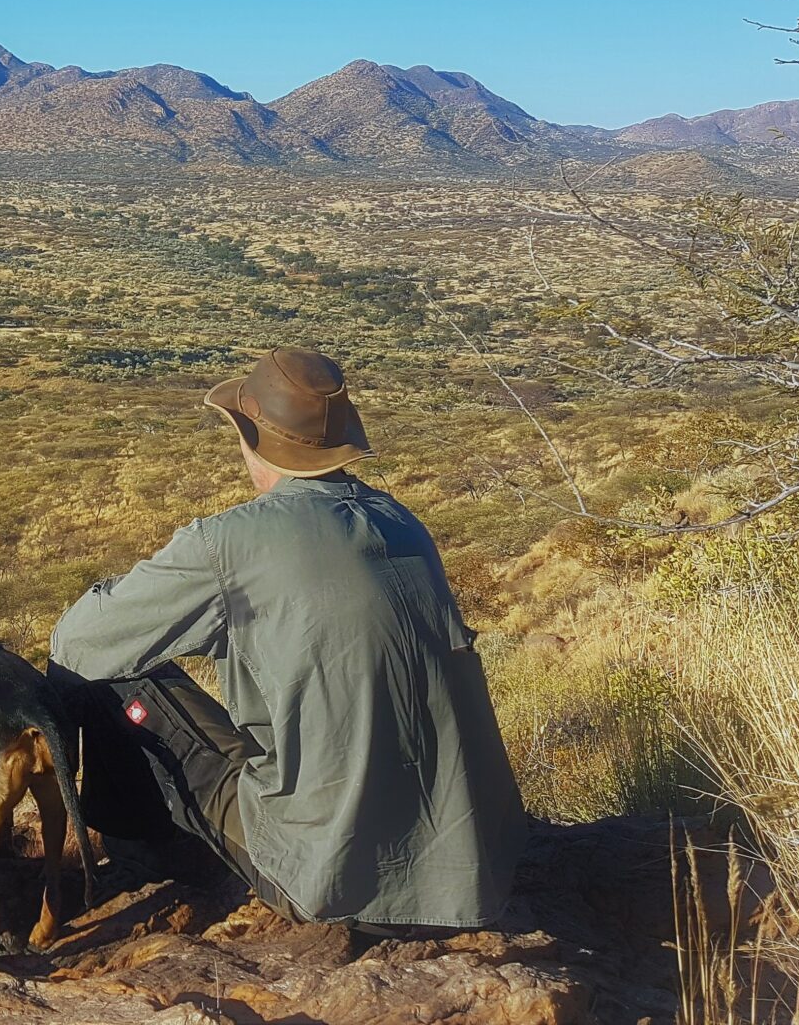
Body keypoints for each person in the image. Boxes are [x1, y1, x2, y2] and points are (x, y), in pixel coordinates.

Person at [49, 347, 525, 934]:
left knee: (120, 678)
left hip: (327, 879)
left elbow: (76, 642)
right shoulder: (403, 522)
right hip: (479, 874)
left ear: (248, 437)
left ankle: (142, 861)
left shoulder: (228, 544)